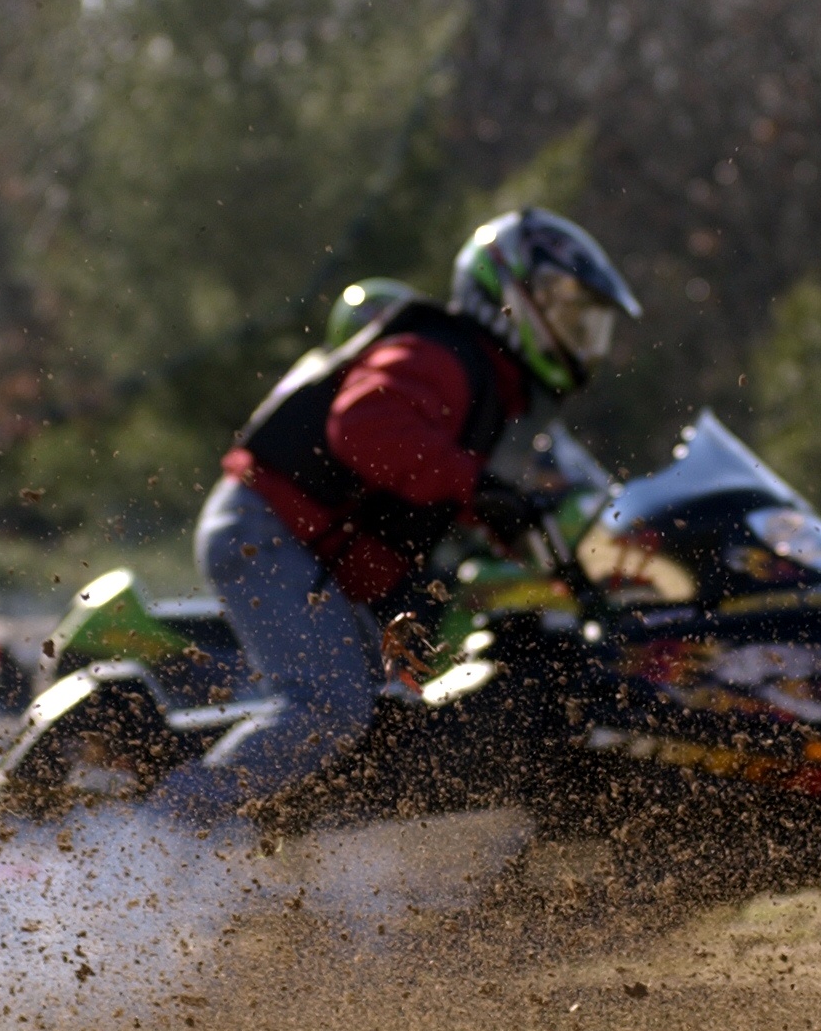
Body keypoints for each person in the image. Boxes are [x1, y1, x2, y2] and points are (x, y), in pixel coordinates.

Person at [160, 208, 641, 814]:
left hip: (298, 540)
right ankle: (164, 833)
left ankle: (292, 866)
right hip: (270, 529)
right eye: (572, 314)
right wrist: (478, 487)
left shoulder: (480, 376)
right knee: (325, 707)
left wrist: (504, 518)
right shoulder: (444, 354)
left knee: (386, 714)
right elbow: (362, 426)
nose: (583, 336)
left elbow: (420, 475)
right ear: (513, 298)